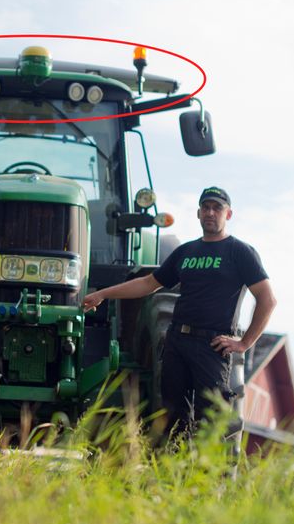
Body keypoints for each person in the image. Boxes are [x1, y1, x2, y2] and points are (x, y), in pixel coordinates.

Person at [81, 186, 277, 438]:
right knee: (173, 420)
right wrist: (103, 293)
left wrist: (245, 342)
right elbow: (148, 284)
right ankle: (174, 474)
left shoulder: (239, 252)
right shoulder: (186, 252)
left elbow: (267, 299)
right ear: (198, 213)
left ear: (228, 214)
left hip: (213, 346)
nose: (210, 212)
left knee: (212, 424)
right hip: (176, 343)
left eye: (217, 207)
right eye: (206, 207)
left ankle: (208, 476)